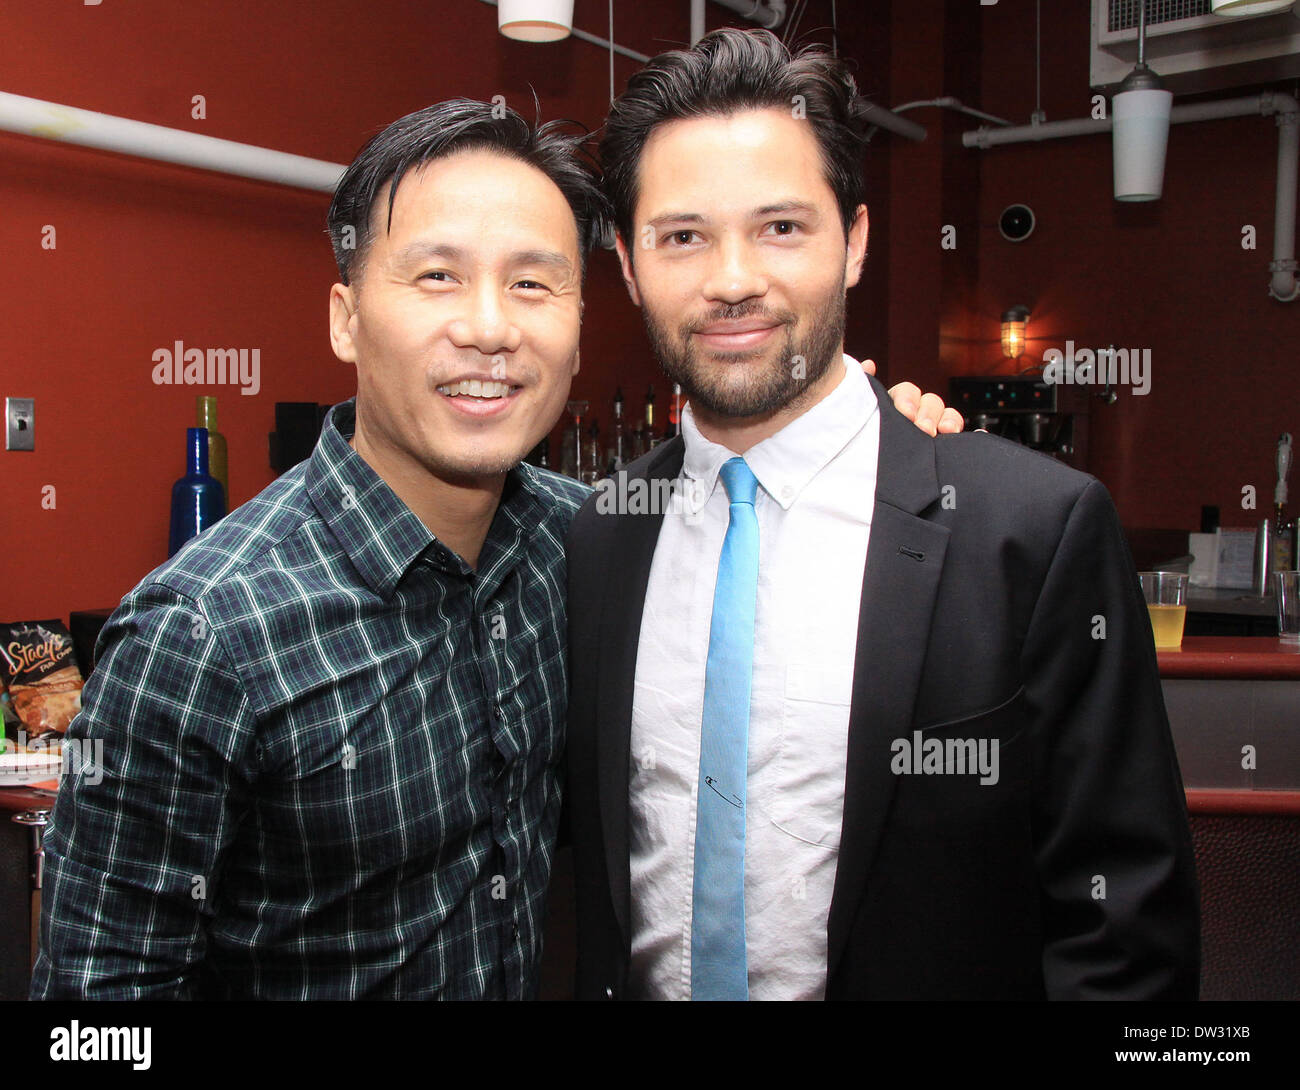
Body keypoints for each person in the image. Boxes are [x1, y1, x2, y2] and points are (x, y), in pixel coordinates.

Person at [31, 97, 956, 1000]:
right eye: (436, 276)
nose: (489, 328)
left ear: (582, 323)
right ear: (346, 318)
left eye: (531, 282)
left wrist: (881, 444)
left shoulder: (596, 541)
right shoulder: (200, 636)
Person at [563, 28, 1200, 1001]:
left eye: (781, 227)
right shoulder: (598, 540)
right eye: (682, 235)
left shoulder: (1028, 530)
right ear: (627, 260)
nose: (732, 277)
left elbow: (1123, 927)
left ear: (854, 242)